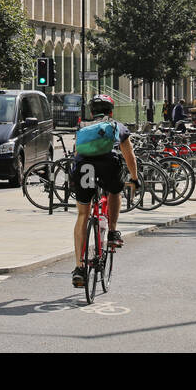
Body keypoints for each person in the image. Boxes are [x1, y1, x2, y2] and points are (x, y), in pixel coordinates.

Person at [70, 94, 139, 290]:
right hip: (108, 165)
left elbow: (77, 154)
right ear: (111, 111)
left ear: (91, 112)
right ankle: (112, 232)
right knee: (114, 191)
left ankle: (79, 268)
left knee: (83, 214)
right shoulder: (117, 126)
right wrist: (134, 178)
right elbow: (129, 155)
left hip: (84, 167)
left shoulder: (83, 127)